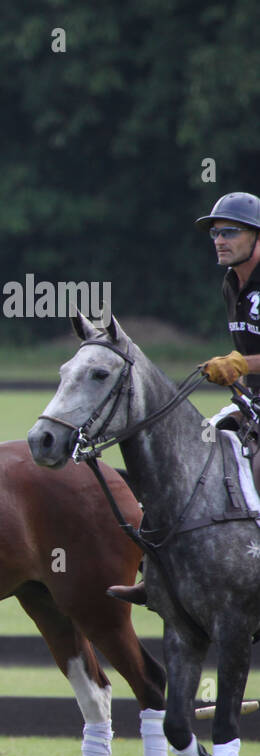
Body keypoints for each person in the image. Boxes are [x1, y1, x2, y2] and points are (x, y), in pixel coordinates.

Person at [109, 191, 260, 606]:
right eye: (215, 233)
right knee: (186, 462)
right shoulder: (232, 283)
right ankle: (157, 573)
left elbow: (246, 358)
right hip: (253, 404)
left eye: (230, 232)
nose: (220, 240)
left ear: (257, 237)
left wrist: (240, 364)